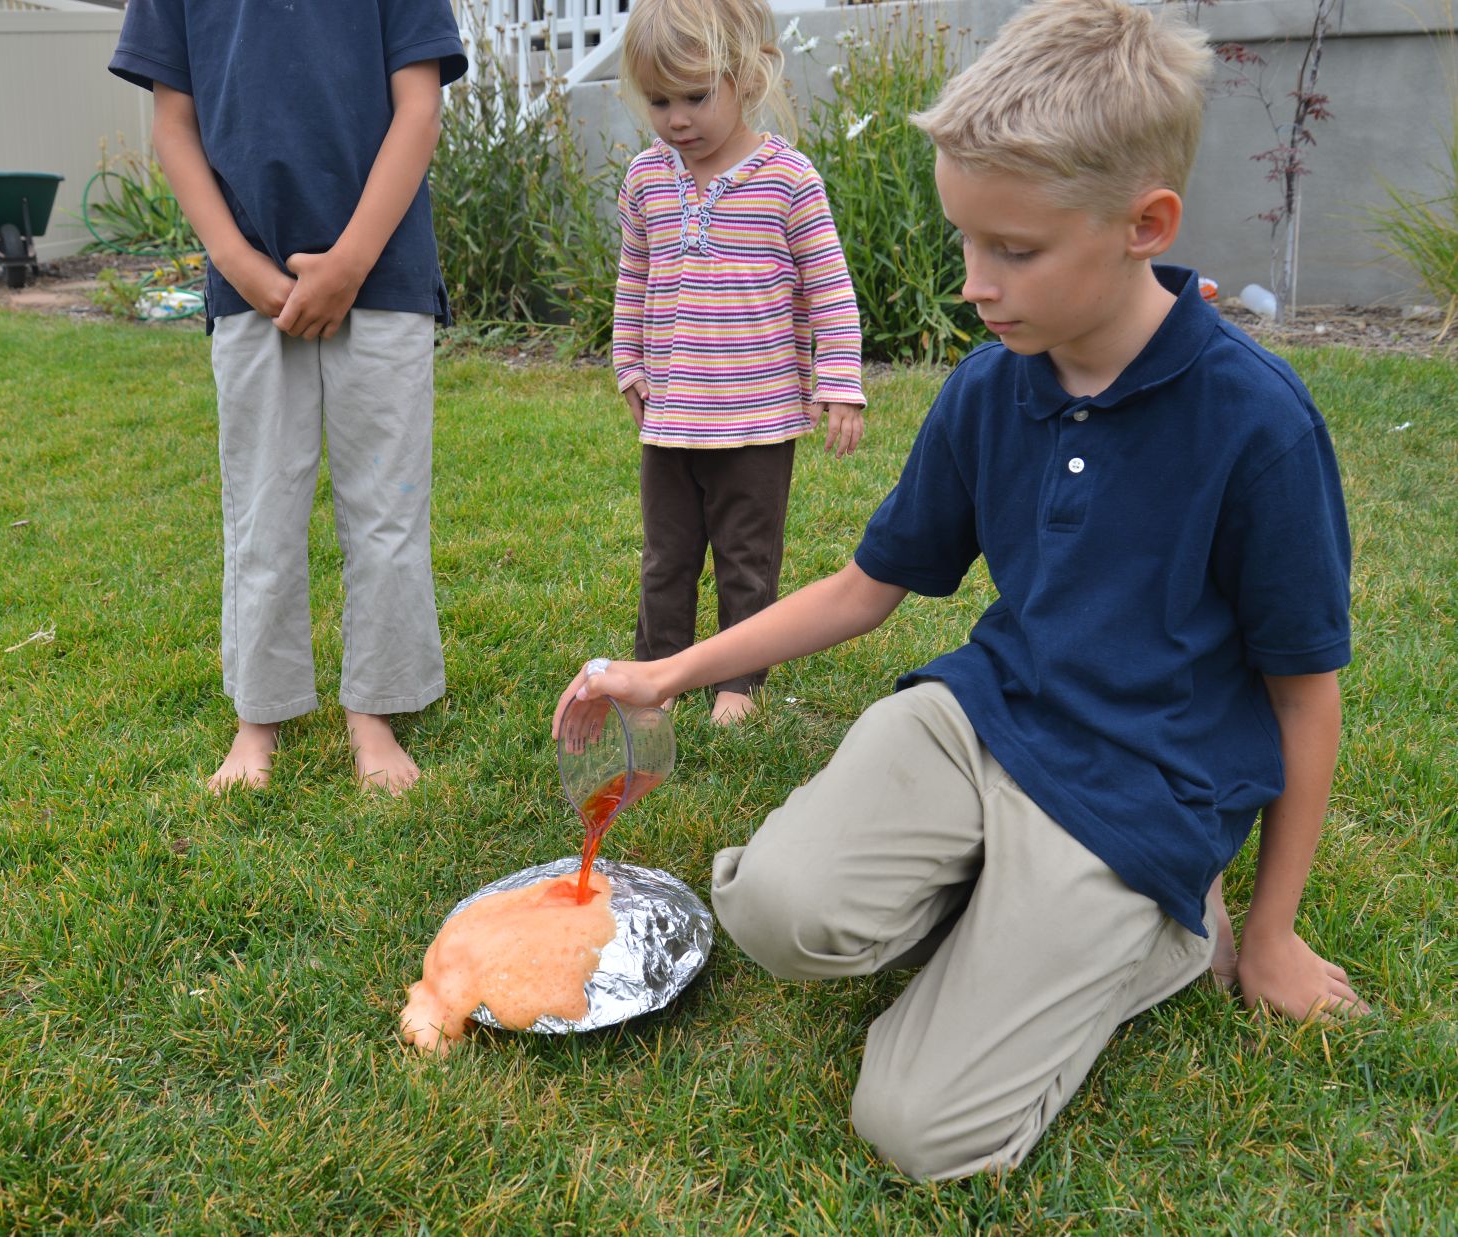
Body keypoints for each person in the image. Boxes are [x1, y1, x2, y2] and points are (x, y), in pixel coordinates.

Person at [556, 0, 1370, 1179]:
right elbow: (869, 586)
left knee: (919, 1131)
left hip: (1137, 791)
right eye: (964, 242)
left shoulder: (1258, 425)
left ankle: (1165, 934)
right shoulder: (993, 384)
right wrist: (667, 670)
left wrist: (1278, 934)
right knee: (777, 909)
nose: (976, 285)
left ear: (1145, 224)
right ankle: (1010, 905)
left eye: (1016, 250)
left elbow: (1305, 699)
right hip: (981, 719)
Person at [108, 1, 466, 795]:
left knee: (387, 507)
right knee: (261, 508)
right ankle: (259, 715)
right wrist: (238, 263)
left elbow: (419, 104)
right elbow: (175, 124)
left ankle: (375, 709)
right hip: (250, 289)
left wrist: (351, 261)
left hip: (383, 276)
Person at [612, 0, 867, 725]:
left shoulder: (787, 179)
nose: (677, 119)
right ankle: (658, 675)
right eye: (659, 101)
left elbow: (830, 290)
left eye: (695, 97)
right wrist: (628, 360)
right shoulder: (646, 181)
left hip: (757, 421)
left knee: (746, 559)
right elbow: (634, 276)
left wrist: (839, 384)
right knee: (666, 558)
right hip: (671, 420)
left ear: (746, 78)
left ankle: (737, 680)